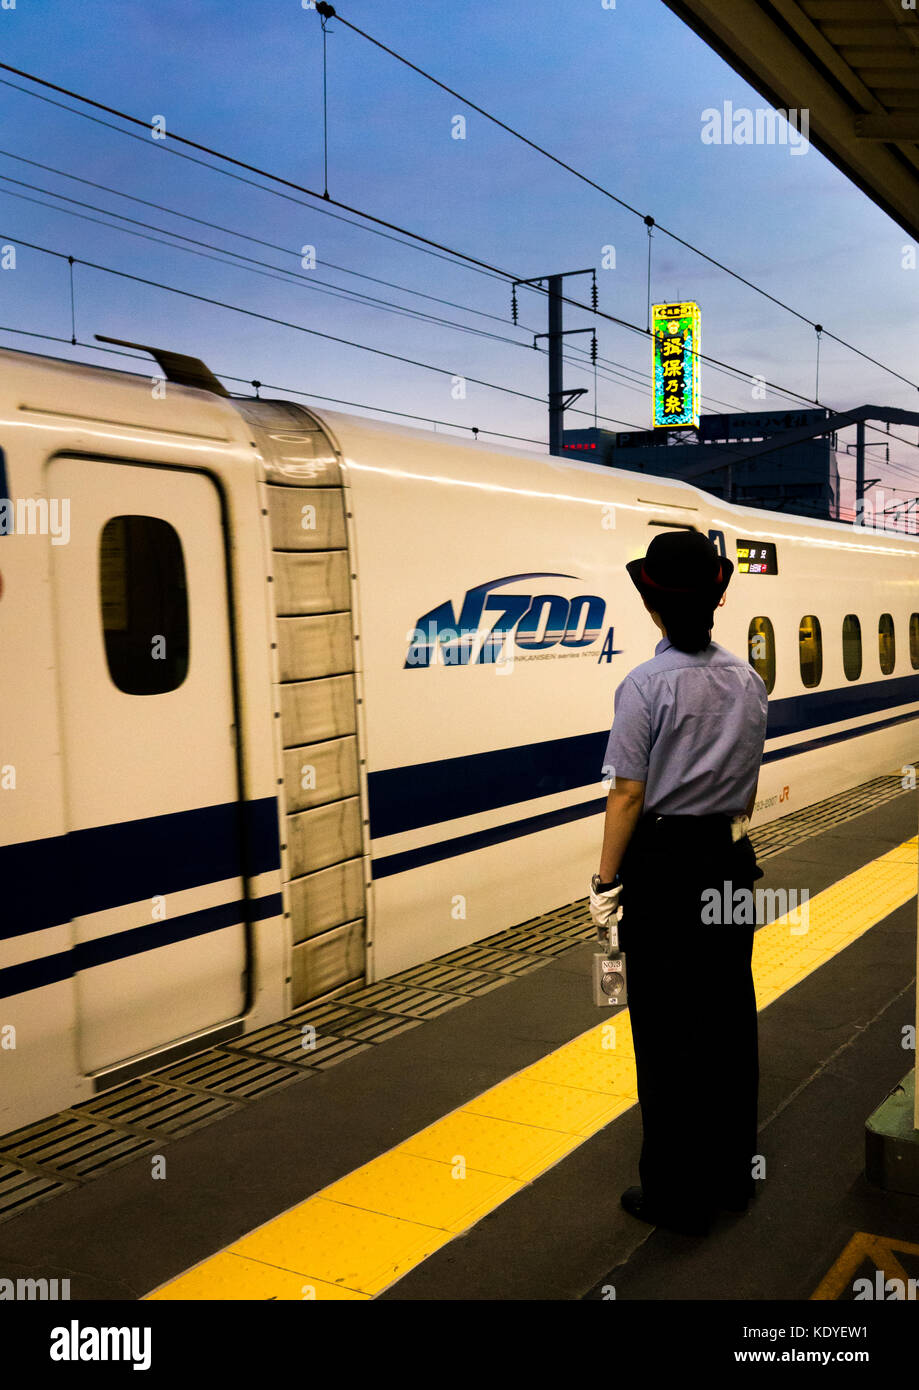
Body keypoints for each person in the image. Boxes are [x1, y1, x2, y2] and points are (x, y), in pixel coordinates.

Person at [590, 529, 768, 1237]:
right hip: (726, 864)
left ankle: (673, 1192)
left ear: (651, 605)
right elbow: (746, 786)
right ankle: (732, 1176)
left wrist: (605, 881)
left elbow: (626, 795)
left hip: (662, 875)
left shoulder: (644, 684)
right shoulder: (747, 680)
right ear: (717, 598)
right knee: (727, 1022)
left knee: (667, 1034)